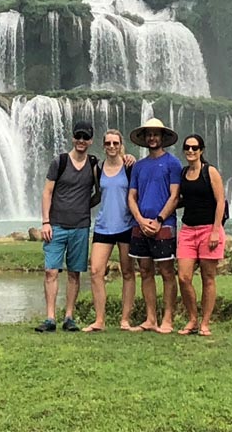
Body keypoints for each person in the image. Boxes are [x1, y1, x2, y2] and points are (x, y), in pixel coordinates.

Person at [35, 120, 97, 332]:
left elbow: (102, 190)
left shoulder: (93, 164)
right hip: (57, 225)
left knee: (74, 273)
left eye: (85, 137)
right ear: (72, 138)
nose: (81, 141)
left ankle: (69, 316)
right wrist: (45, 221)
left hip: (80, 226)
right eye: (78, 136)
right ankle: (50, 317)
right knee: (50, 271)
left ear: (91, 140)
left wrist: (85, 205)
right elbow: (47, 192)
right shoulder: (60, 162)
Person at [127, 117, 181, 334]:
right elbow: (132, 196)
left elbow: (175, 196)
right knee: (146, 271)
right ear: (144, 138)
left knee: (167, 271)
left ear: (163, 138)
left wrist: (158, 220)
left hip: (164, 225)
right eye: (149, 134)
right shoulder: (139, 166)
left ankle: (167, 319)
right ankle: (150, 318)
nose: (152, 138)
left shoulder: (173, 163)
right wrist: (140, 220)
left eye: (155, 134)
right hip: (140, 225)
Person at [83, 129, 136, 332]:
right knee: (96, 271)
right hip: (104, 226)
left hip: (126, 225)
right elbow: (97, 195)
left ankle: (125, 320)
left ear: (121, 144)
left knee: (128, 272)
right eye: (108, 143)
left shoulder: (130, 167)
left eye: (115, 143)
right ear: (103, 146)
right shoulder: (98, 168)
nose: (112, 147)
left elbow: (136, 194)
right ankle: (99, 320)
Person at [175, 133, 227, 336]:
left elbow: (220, 201)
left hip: (208, 230)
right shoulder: (183, 173)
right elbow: (178, 199)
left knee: (208, 277)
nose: (190, 151)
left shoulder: (210, 171)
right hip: (188, 230)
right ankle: (192, 319)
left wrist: (216, 230)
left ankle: (205, 323)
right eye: (187, 147)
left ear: (201, 151)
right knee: (184, 277)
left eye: (194, 148)